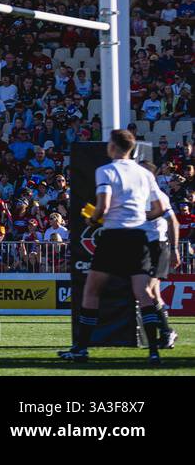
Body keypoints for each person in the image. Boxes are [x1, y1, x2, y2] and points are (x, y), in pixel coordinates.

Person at [59, 129, 168, 363]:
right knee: (143, 293)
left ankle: (81, 348)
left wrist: (92, 219)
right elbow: (159, 209)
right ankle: (153, 351)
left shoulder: (106, 170)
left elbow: (104, 206)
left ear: (113, 147)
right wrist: (137, 216)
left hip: (114, 235)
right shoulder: (144, 173)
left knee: (91, 290)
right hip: (138, 236)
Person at [142, 164, 181, 349]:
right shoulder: (136, 195)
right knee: (154, 294)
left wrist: (174, 249)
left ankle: (166, 331)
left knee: (145, 290)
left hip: (157, 246)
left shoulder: (157, 195)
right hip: (142, 247)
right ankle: (166, 333)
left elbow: (173, 221)